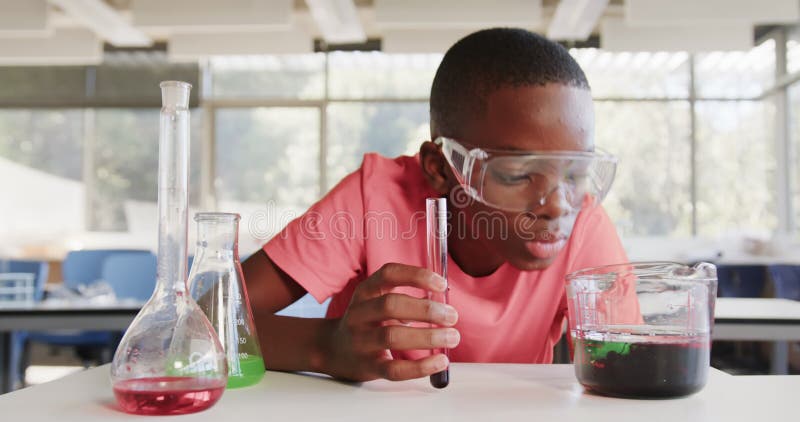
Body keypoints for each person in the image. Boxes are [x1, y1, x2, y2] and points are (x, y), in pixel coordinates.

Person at [242, 27, 625, 383]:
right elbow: (212, 319)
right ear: (441, 168)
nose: (558, 206)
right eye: (519, 174)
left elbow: (625, 367)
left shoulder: (584, 224)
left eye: (576, 173)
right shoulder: (376, 200)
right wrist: (325, 345)